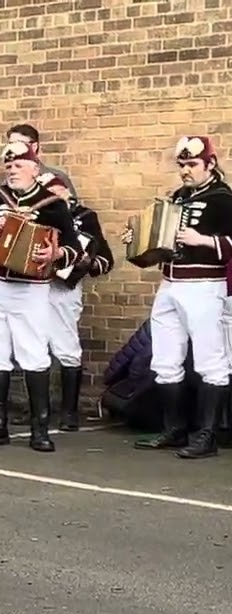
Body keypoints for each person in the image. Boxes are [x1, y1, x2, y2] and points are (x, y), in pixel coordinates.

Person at [0, 141, 82, 453]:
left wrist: (55, 252)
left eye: (18, 164)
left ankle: (39, 429)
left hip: (31, 289)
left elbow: (74, 249)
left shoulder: (52, 204)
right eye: (8, 165)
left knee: (33, 354)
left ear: (35, 168)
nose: (12, 170)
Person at [129, 136, 232, 459]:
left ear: (210, 164)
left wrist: (203, 240)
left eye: (192, 165)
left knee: (210, 361)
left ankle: (207, 435)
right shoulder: (178, 198)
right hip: (170, 285)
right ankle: (174, 429)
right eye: (182, 165)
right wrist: (138, 240)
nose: (186, 171)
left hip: (205, 285)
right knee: (165, 359)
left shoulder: (223, 199)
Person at [40, 174, 114, 430]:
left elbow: (104, 258)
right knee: (34, 345)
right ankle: (40, 409)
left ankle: (69, 412)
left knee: (66, 345)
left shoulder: (85, 217)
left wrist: (87, 262)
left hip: (63, 289)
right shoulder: (37, 213)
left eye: (56, 190)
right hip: (35, 286)